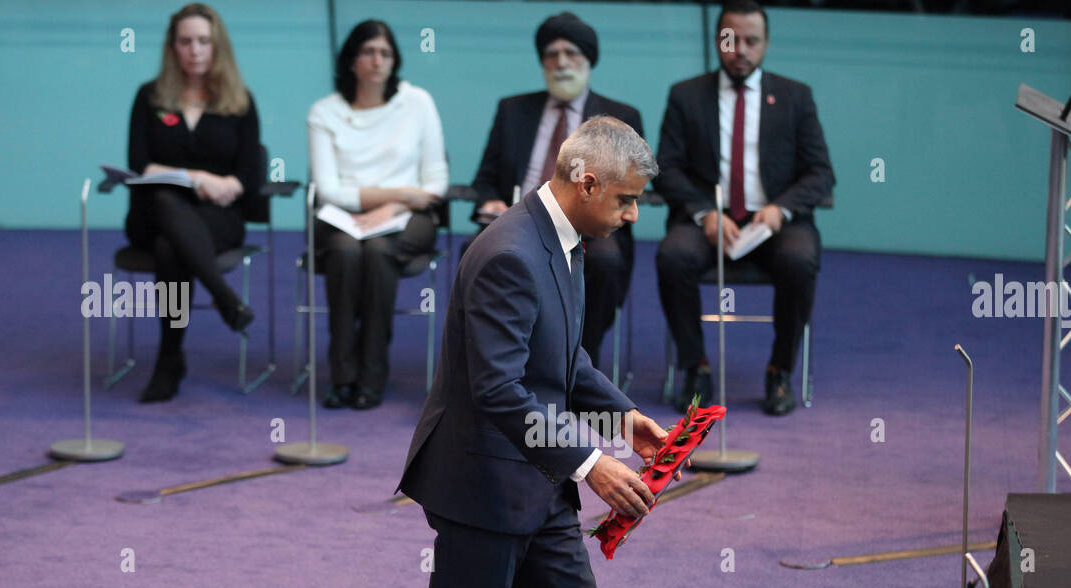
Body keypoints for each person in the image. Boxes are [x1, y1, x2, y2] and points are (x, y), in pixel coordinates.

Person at [387, 116, 739, 588]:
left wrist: (623, 417)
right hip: (481, 484)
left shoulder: (563, 243)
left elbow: (564, 359)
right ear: (585, 183)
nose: (634, 214)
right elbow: (500, 392)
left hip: (535, 480)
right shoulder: (510, 253)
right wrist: (591, 463)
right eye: (626, 200)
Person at [655, 0, 835, 416]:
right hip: (708, 218)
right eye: (731, 40)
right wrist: (705, 213)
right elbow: (667, 168)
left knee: (800, 259)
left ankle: (779, 370)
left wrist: (781, 210)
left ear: (766, 44)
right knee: (672, 257)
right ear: (719, 41)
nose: (741, 50)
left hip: (772, 222)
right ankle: (695, 368)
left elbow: (821, 173)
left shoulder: (795, 97)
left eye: (751, 41)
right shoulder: (686, 95)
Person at [470, 12, 642, 368]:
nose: (561, 62)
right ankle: (502, 360)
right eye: (552, 54)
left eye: (572, 53)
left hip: (589, 227)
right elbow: (485, 178)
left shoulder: (620, 115)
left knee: (607, 261)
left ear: (589, 60)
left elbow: (628, 184)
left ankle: (578, 361)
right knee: (483, 254)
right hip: (521, 224)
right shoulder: (513, 110)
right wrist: (490, 200)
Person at [125, 3, 262, 403]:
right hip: (151, 213)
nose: (195, 50)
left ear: (217, 46)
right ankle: (225, 297)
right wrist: (200, 178)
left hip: (217, 217)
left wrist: (227, 186)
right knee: (167, 204)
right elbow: (138, 165)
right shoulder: (149, 97)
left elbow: (249, 177)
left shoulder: (240, 101)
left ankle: (169, 359)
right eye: (185, 41)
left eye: (203, 41)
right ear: (172, 47)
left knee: (173, 248)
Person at [308, 21, 448, 410]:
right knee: (347, 252)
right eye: (368, 52)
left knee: (378, 252)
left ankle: (371, 375)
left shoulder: (417, 102)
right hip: (342, 217)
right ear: (351, 60)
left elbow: (435, 183)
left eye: (385, 53)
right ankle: (341, 376)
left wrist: (395, 204)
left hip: (407, 216)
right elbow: (329, 190)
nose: (377, 61)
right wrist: (400, 193)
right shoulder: (325, 112)